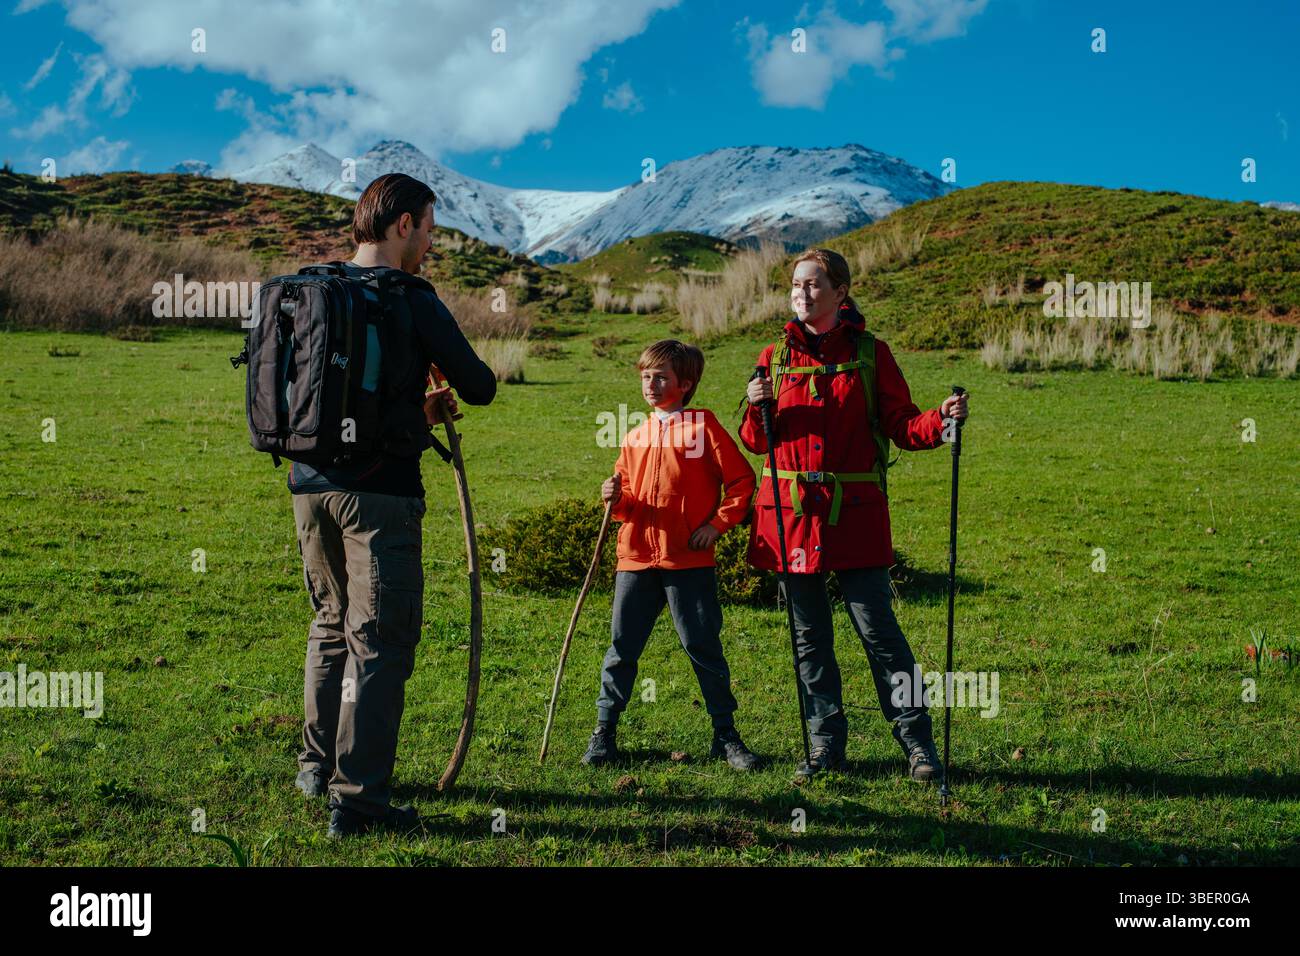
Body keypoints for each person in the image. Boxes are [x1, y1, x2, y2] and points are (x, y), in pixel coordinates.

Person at [289, 173, 497, 836]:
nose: (430, 243)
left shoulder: (313, 288)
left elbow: (348, 399)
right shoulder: (411, 295)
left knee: (330, 627)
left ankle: (315, 769)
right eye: (430, 228)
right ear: (403, 223)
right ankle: (358, 803)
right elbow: (481, 384)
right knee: (378, 643)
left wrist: (416, 412)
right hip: (379, 497)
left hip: (308, 487)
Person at [739, 248, 969, 782]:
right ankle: (824, 748)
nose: (803, 293)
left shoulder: (871, 353)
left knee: (879, 633)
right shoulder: (773, 356)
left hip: (855, 517)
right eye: (797, 285)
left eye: (814, 284)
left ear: (841, 292)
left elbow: (903, 427)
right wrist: (757, 404)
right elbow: (757, 442)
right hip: (790, 521)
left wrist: (940, 420)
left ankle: (918, 745)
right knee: (809, 637)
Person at [583, 340, 761, 770]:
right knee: (622, 649)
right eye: (645, 375)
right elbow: (626, 505)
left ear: (685, 384)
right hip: (636, 559)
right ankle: (604, 733)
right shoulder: (636, 434)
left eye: (660, 376)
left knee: (702, 646)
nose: (650, 383)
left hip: (689, 562)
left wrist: (716, 525)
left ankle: (726, 737)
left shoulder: (704, 428)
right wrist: (613, 496)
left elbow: (742, 482)